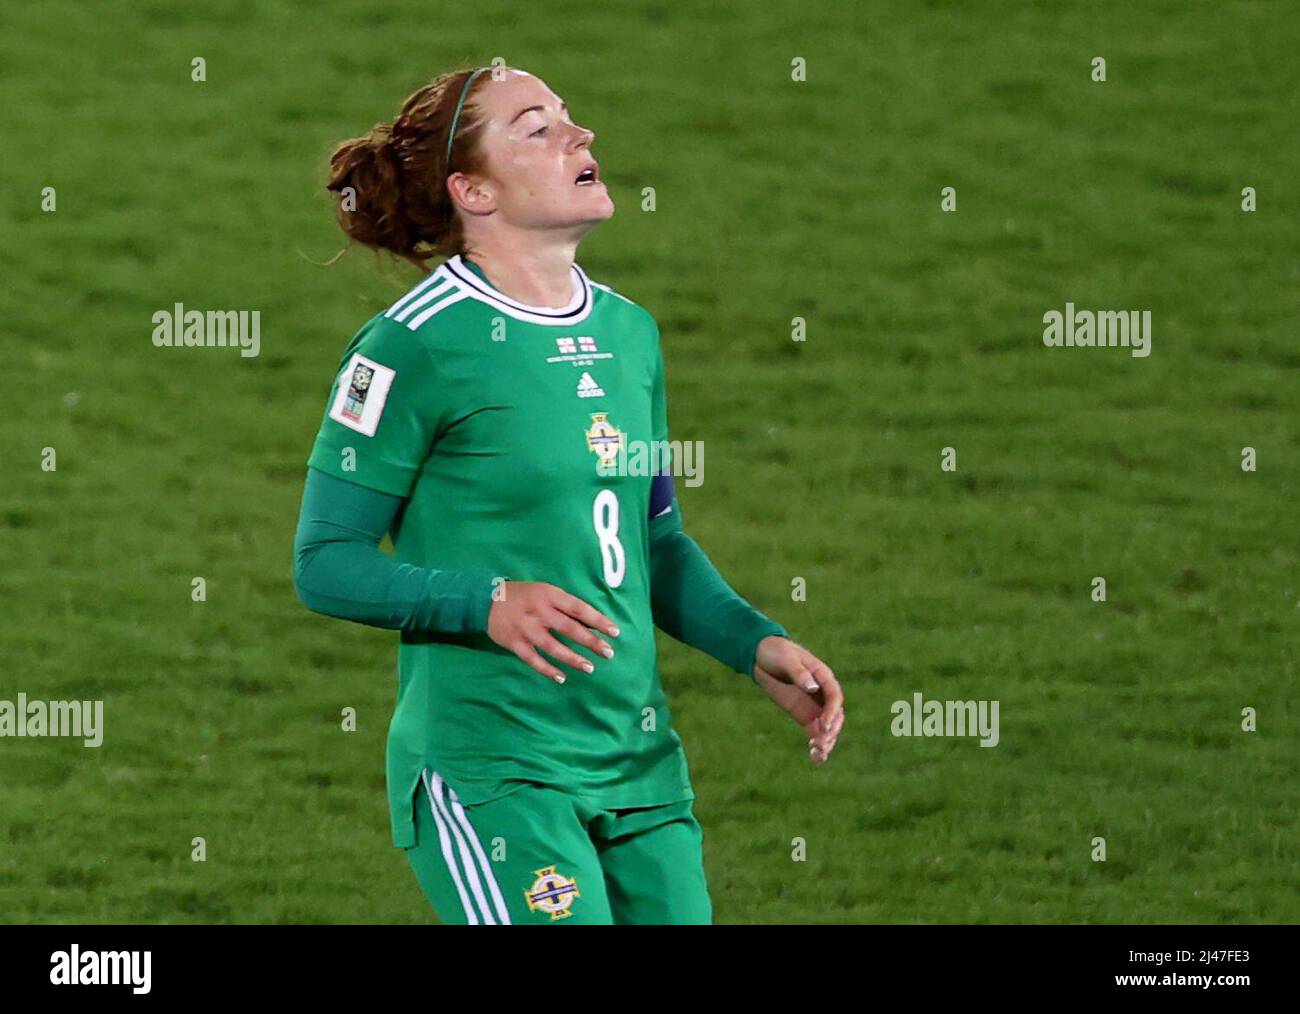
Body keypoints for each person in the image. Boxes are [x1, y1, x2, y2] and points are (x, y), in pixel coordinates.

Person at [294, 65, 845, 924]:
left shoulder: (629, 332)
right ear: (472, 189)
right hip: (495, 771)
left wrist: (751, 643)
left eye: (569, 118)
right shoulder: (411, 347)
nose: (579, 137)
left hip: (636, 763)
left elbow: (653, 538)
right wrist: (487, 601)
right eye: (536, 128)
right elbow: (325, 562)